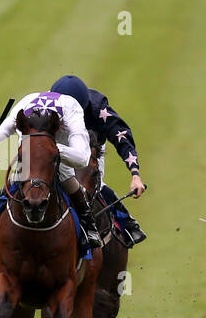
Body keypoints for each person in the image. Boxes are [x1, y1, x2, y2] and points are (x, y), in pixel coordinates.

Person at [0, 90, 102, 248]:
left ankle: (89, 224)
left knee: (66, 177)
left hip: (55, 148)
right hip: (32, 148)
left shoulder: (71, 113)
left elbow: (82, 158)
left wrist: (47, 150)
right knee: (21, 173)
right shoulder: (18, 115)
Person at [43, 74, 147, 247]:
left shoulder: (99, 110)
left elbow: (122, 138)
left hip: (91, 146)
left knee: (91, 185)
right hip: (57, 142)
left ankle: (126, 222)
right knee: (35, 176)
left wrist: (135, 175)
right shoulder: (46, 105)